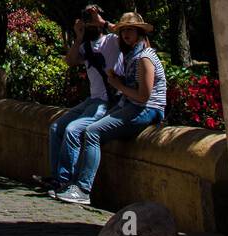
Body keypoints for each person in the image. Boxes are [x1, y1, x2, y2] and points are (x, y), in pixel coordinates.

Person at [55, 12, 167, 207]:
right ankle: (71, 183)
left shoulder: (144, 57)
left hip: (147, 109)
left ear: (140, 32)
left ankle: (83, 189)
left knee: (92, 132)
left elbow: (144, 96)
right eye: (123, 31)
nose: (125, 34)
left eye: (130, 30)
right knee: (85, 130)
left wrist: (117, 84)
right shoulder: (133, 54)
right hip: (133, 105)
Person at [37, 4, 119, 195]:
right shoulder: (86, 46)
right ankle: (57, 178)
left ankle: (66, 181)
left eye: (92, 17)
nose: (90, 21)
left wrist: (102, 21)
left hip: (107, 101)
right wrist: (79, 35)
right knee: (56, 127)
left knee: (73, 130)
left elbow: (128, 32)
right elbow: (70, 60)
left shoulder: (113, 41)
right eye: (87, 17)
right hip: (92, 100)